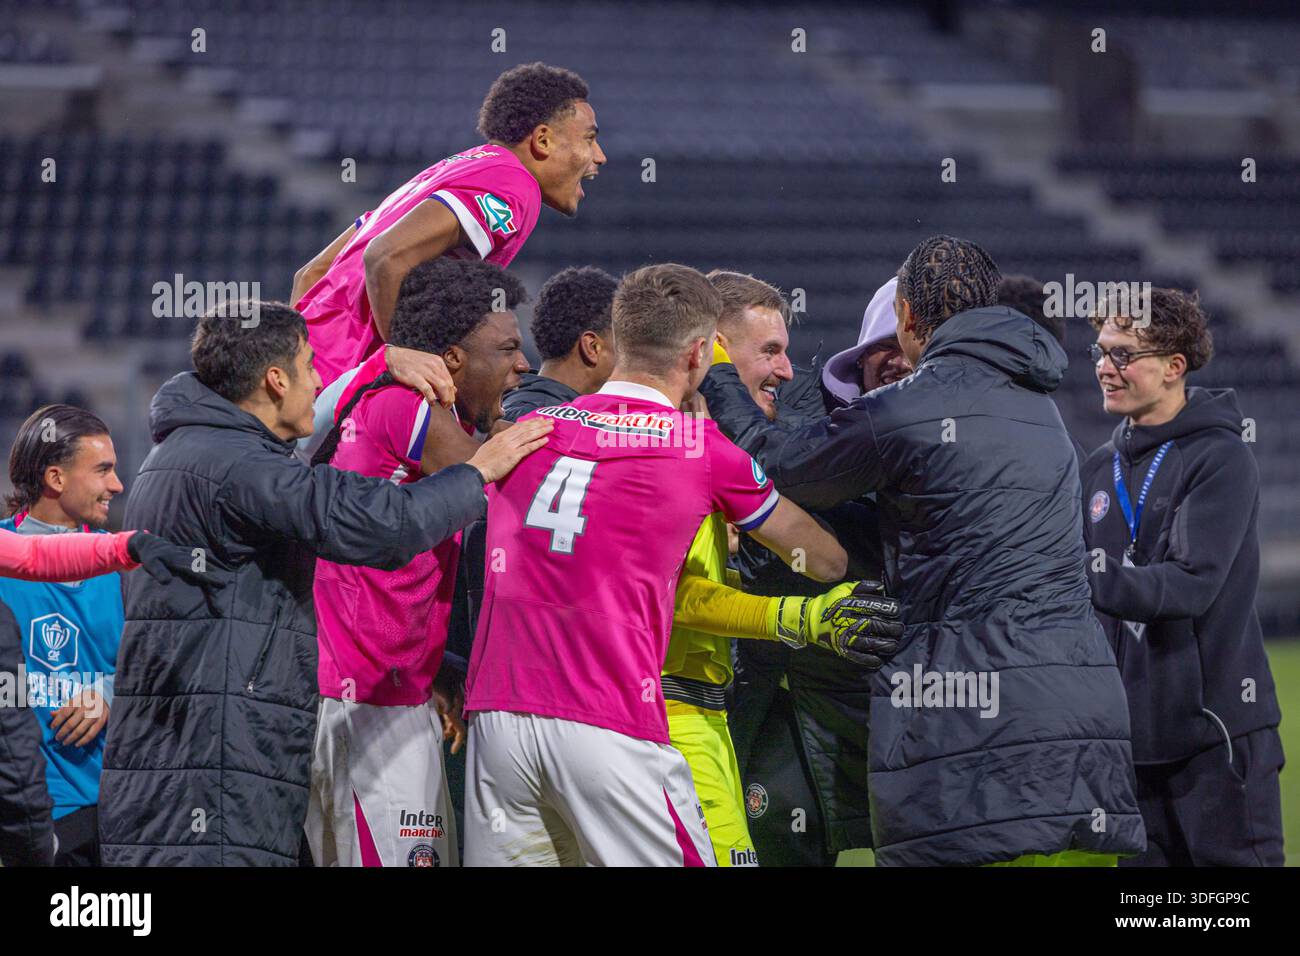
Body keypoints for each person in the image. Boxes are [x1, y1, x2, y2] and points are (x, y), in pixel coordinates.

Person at [699, 235, 1147, 866]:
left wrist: (718, 372)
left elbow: (774, 464)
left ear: (909, 318)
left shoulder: (912, 407)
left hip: (966, 723)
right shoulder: (1044, 416)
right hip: (1083, 722)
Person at [97, 301, 551, 867]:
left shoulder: (192, 450)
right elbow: (374, 522)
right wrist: (479, 470)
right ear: (275, 379)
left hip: (200, 736)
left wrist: (378, 364)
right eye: (310, 366)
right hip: (216, 749)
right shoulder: (237, 464)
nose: (318, 381)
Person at [461, 264, 879, 866]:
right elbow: (823, 557)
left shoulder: (529, 429)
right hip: (611, 719)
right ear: (697, 355)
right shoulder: (699, 449)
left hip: (498, 722)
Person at [305, 257, 531, 868]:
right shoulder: (409, 407)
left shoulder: (407, 407)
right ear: (451, 359)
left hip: (378, 693)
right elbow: (504, 480)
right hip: (368, 705)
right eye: (507, 348)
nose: (523, 364)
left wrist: (442, 665)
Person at [1081, 288, 1283, 866]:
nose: (1104, 366)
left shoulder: (1220, 456)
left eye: (1122, 354)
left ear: (1175, 367)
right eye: (1100, 351)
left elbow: (1190, 584)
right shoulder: (1099, 465)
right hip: (1130, 747)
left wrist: (1074, 576)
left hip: (1215, 736)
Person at [293, 62, 604, 387]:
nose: (599, 155)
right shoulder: (513, 183)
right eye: (590, 138)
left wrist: (295, 366)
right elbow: (384, 255)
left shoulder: (446, 171)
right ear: (543, 140)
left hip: (303, 373)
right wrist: (399, 353)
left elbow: (312, 274)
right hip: (341, 380)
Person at [0, 405, 128, 865]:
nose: (117, 485)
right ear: (56, 478)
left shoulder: (122, 566)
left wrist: (111, 691)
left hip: (116, 810)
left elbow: (157, 666)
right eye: (103, 470)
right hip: (27, 816)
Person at [820, 276, 913, 403]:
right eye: (887, 346)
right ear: (861, 356)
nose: (901, 364)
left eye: (914, 352)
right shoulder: (813, 412)